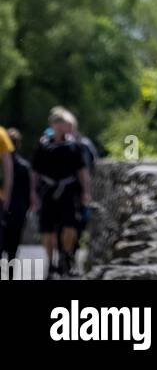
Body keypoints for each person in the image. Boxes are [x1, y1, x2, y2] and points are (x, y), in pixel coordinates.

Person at [32, 106, 91, 279]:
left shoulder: (75, 146)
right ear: (56, 125)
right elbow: (35, 172)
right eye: (66, 123)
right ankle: (51, 263)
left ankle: (66, 258)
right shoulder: (43, 146)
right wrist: (33, 193)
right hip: (48, 192)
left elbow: (82, 171)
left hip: (69, 192)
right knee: (47, 230)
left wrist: (86, 192)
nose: (70, 127)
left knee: (70, 227)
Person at [1, 129, 35, 267]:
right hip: (18, 209)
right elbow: (30, 191)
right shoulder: (24, 166)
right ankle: (9, 274)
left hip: (4, 205)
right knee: (13, 245)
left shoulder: (3, 164)